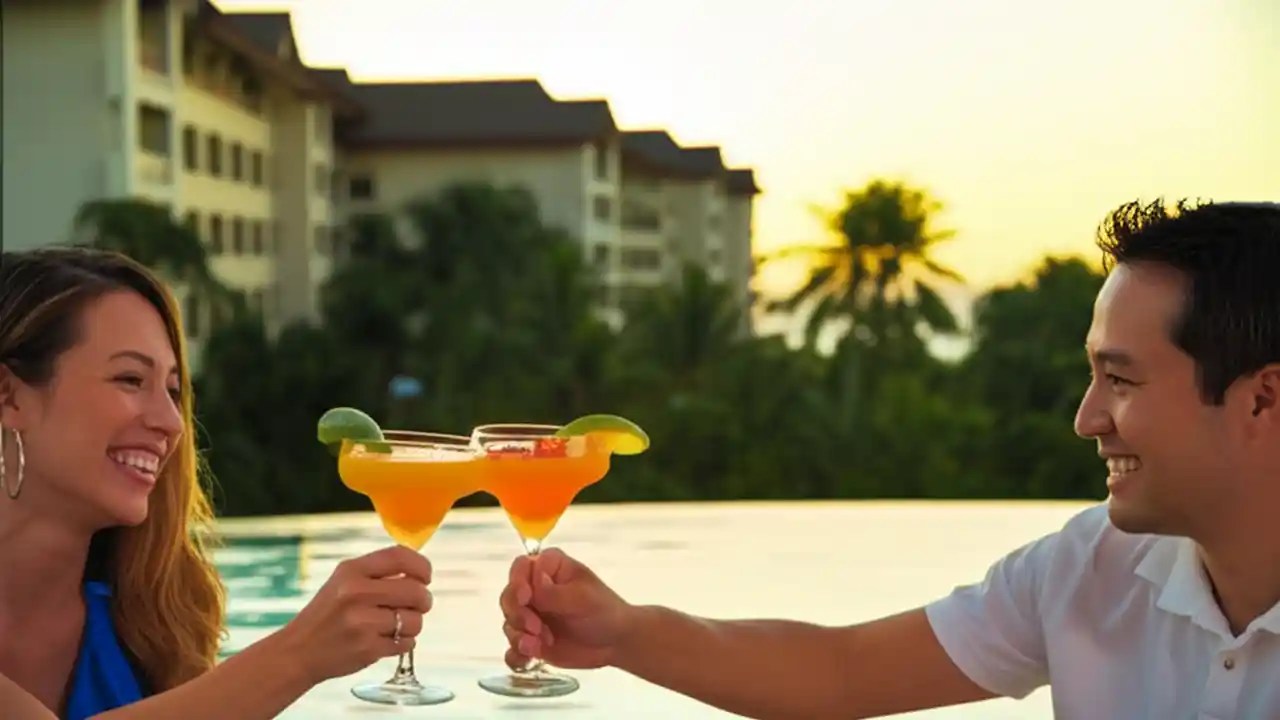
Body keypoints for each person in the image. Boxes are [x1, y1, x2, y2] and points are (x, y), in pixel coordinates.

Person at [497, 199, 1280, 719]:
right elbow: (841, 671)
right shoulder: (1091, 570)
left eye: (1122, 379)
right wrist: (623, 632)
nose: (1086, 419)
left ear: (1262, 400)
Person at [0, 247, 434, 719]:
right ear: (9, 397)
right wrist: (302, 653)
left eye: (171, 390)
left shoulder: (148, 627)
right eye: (129, 379)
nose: (172, 423)